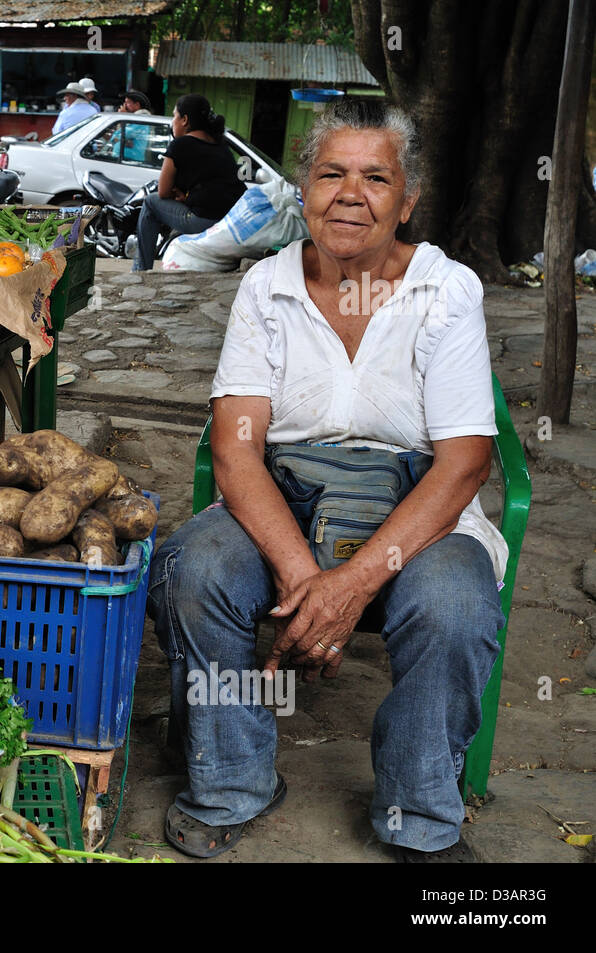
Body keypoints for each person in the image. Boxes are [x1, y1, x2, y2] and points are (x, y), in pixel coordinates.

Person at [148, 97, 506, 864]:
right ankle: (233, 780)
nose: (351, 192)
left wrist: (353, 587)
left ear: (406, 201)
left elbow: (466, 461)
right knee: (193, 568)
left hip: (417, 504)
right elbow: (238, 447)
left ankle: (419, 810)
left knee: (453, 602)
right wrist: (307, 574)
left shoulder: (447, 291)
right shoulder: (265, 288)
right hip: (288, 493)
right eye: (330, 173)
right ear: (303, 190)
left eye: (376, 177)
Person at [132, 94, 244, 271]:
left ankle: (140, 270)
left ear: (184, 120)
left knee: (150, 202)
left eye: (175, 116)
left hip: (203, 220)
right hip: (229, 220)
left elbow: (162, 191)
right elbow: (214, 187)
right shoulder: (220, 145)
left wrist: (175, 194)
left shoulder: (181, 144)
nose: (173, 121)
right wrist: (186, 197)